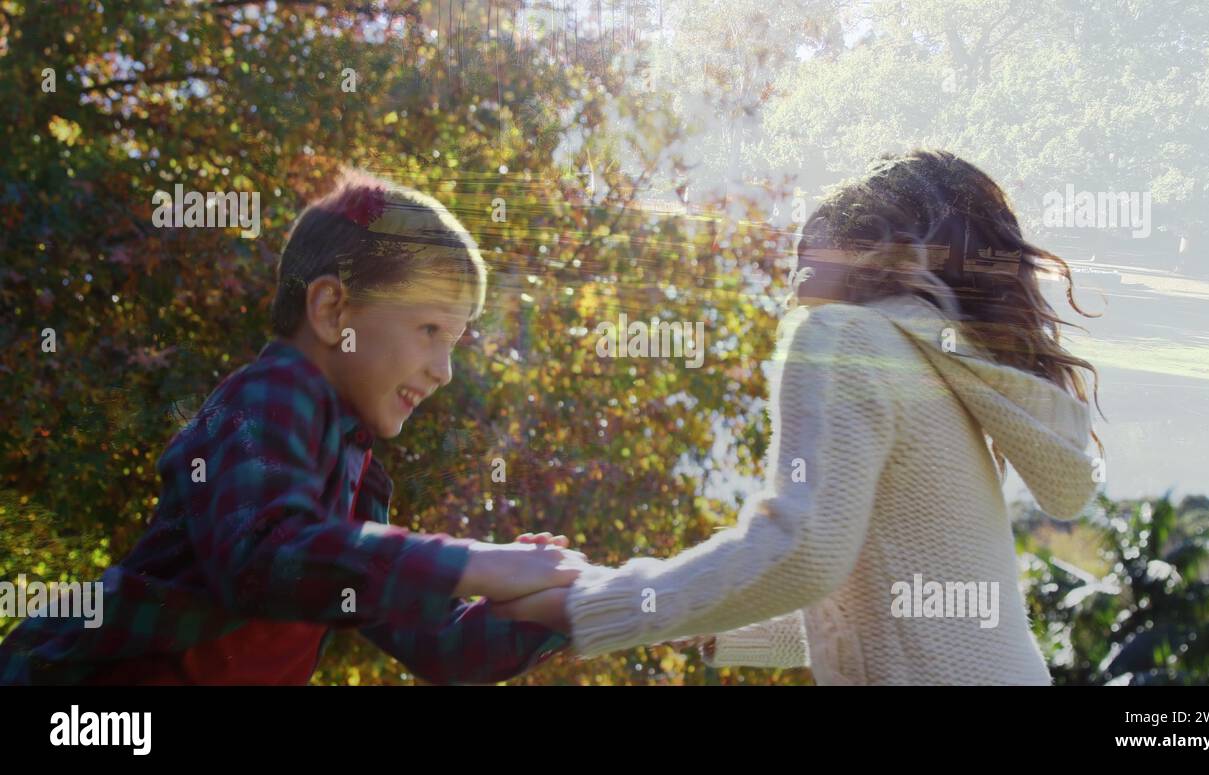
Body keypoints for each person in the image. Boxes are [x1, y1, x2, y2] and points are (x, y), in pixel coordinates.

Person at [497, 149, 1103, 685]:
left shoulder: (841, 335)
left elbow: (804, 553)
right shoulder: (944, 376)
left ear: (869, 251)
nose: (790, 284)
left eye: (802, 256)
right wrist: (698, 624)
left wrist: (590, 606)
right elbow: (895, 610)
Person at [0, 171, 587, 685]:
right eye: (430, 329)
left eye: (454, 343)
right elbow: (264, 555)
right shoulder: (269, 396)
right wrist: (478, 563)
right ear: (333, 310)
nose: (444, 370)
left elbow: (441, 645)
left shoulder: (357, 482)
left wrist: (566, 609)